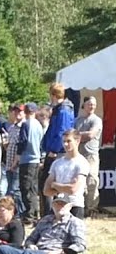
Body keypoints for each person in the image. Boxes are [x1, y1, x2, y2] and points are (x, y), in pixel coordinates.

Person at [39, 83, 74, 212]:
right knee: (46, 184)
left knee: (48, 184)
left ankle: (50, 213)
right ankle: (49, 212)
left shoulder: (63, 110)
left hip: (57, 153)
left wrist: (54, 149)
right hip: (53, 151)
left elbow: (62, 131)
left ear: (53, 95)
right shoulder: (59, 109)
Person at [43, 129, 89, 218]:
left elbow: (73, 189)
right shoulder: (57, 163)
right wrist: (63, 187)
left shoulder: (82, 163)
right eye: (63, 141)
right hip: (58, 206)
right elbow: (46, 190)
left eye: (68, 141)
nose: (65, 144)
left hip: (75, 205)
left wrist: (55, 185)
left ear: (77, 141)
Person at [74, 96, 102, 214]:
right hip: (78, 155)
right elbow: (70, 134)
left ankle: (91, 208)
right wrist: (79, 135)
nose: (92, 106)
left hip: (91, 155)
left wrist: (77, 135)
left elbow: (90, 135)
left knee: (92, 181)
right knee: (79, 181)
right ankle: (81, 208)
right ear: (84, 105)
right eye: (90, 104)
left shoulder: (96, 120)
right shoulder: (78, 120)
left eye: (94, 104)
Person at [17, 102, 44, 224]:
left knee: (25, 187)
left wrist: (18, 156)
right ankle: (34, 212)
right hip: (36, 159)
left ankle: (29, 215)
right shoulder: (39, 125)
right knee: (33, 187)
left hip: (26, 159)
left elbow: (22, 141)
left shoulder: (25, 124)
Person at [2, 103, 23, 214]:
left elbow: (22, 147)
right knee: (11, 190)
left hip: (18, 165)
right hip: (9, 163)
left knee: (15, 190)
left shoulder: (24, 127)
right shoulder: (12, 127)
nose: (17, 113)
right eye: (15, 111)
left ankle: (20, 213)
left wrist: (16, 162)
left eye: (19, 111)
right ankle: (13, 214)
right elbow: (9, 146)